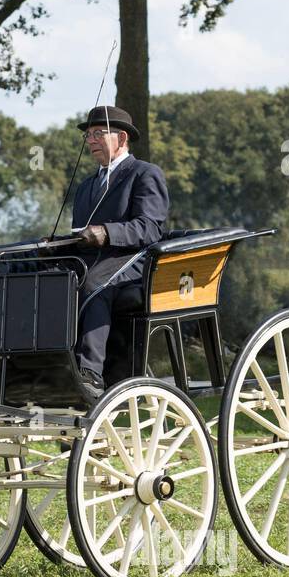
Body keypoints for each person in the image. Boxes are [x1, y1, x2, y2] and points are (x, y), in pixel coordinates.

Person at [69, 105, 169, 395]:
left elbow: (150, 228)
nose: (91, 140)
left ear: (122, 138)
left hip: (135, 262)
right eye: (88, 135)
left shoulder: (144, 174)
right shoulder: (87, 185)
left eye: (98, 133)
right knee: (51, 279)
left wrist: (107, 232)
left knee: (94, 284)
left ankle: (89, 372)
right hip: (93, 260)